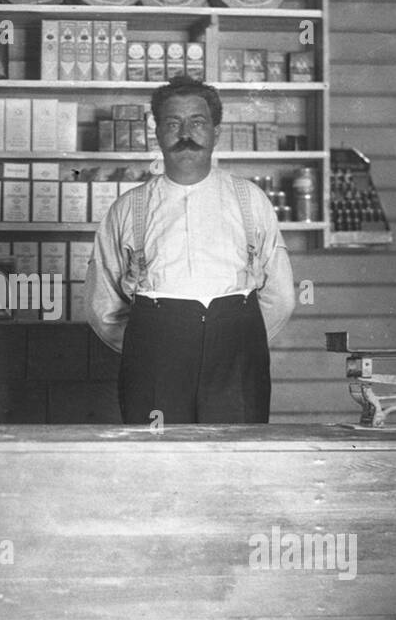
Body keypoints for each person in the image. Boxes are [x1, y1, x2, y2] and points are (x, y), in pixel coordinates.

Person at [85, 76, 295, 424]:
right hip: (155, 358)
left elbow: (281, 296)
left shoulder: (250, 200)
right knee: (159, 462)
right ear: (158, 134)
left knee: (237, 457)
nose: (186, 133)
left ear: (216, 131)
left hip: (236, 355)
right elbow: (102, 306)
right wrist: (149, 341)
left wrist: (240, 337)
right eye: (173, 123)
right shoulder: (127, 208)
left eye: (197, 122)